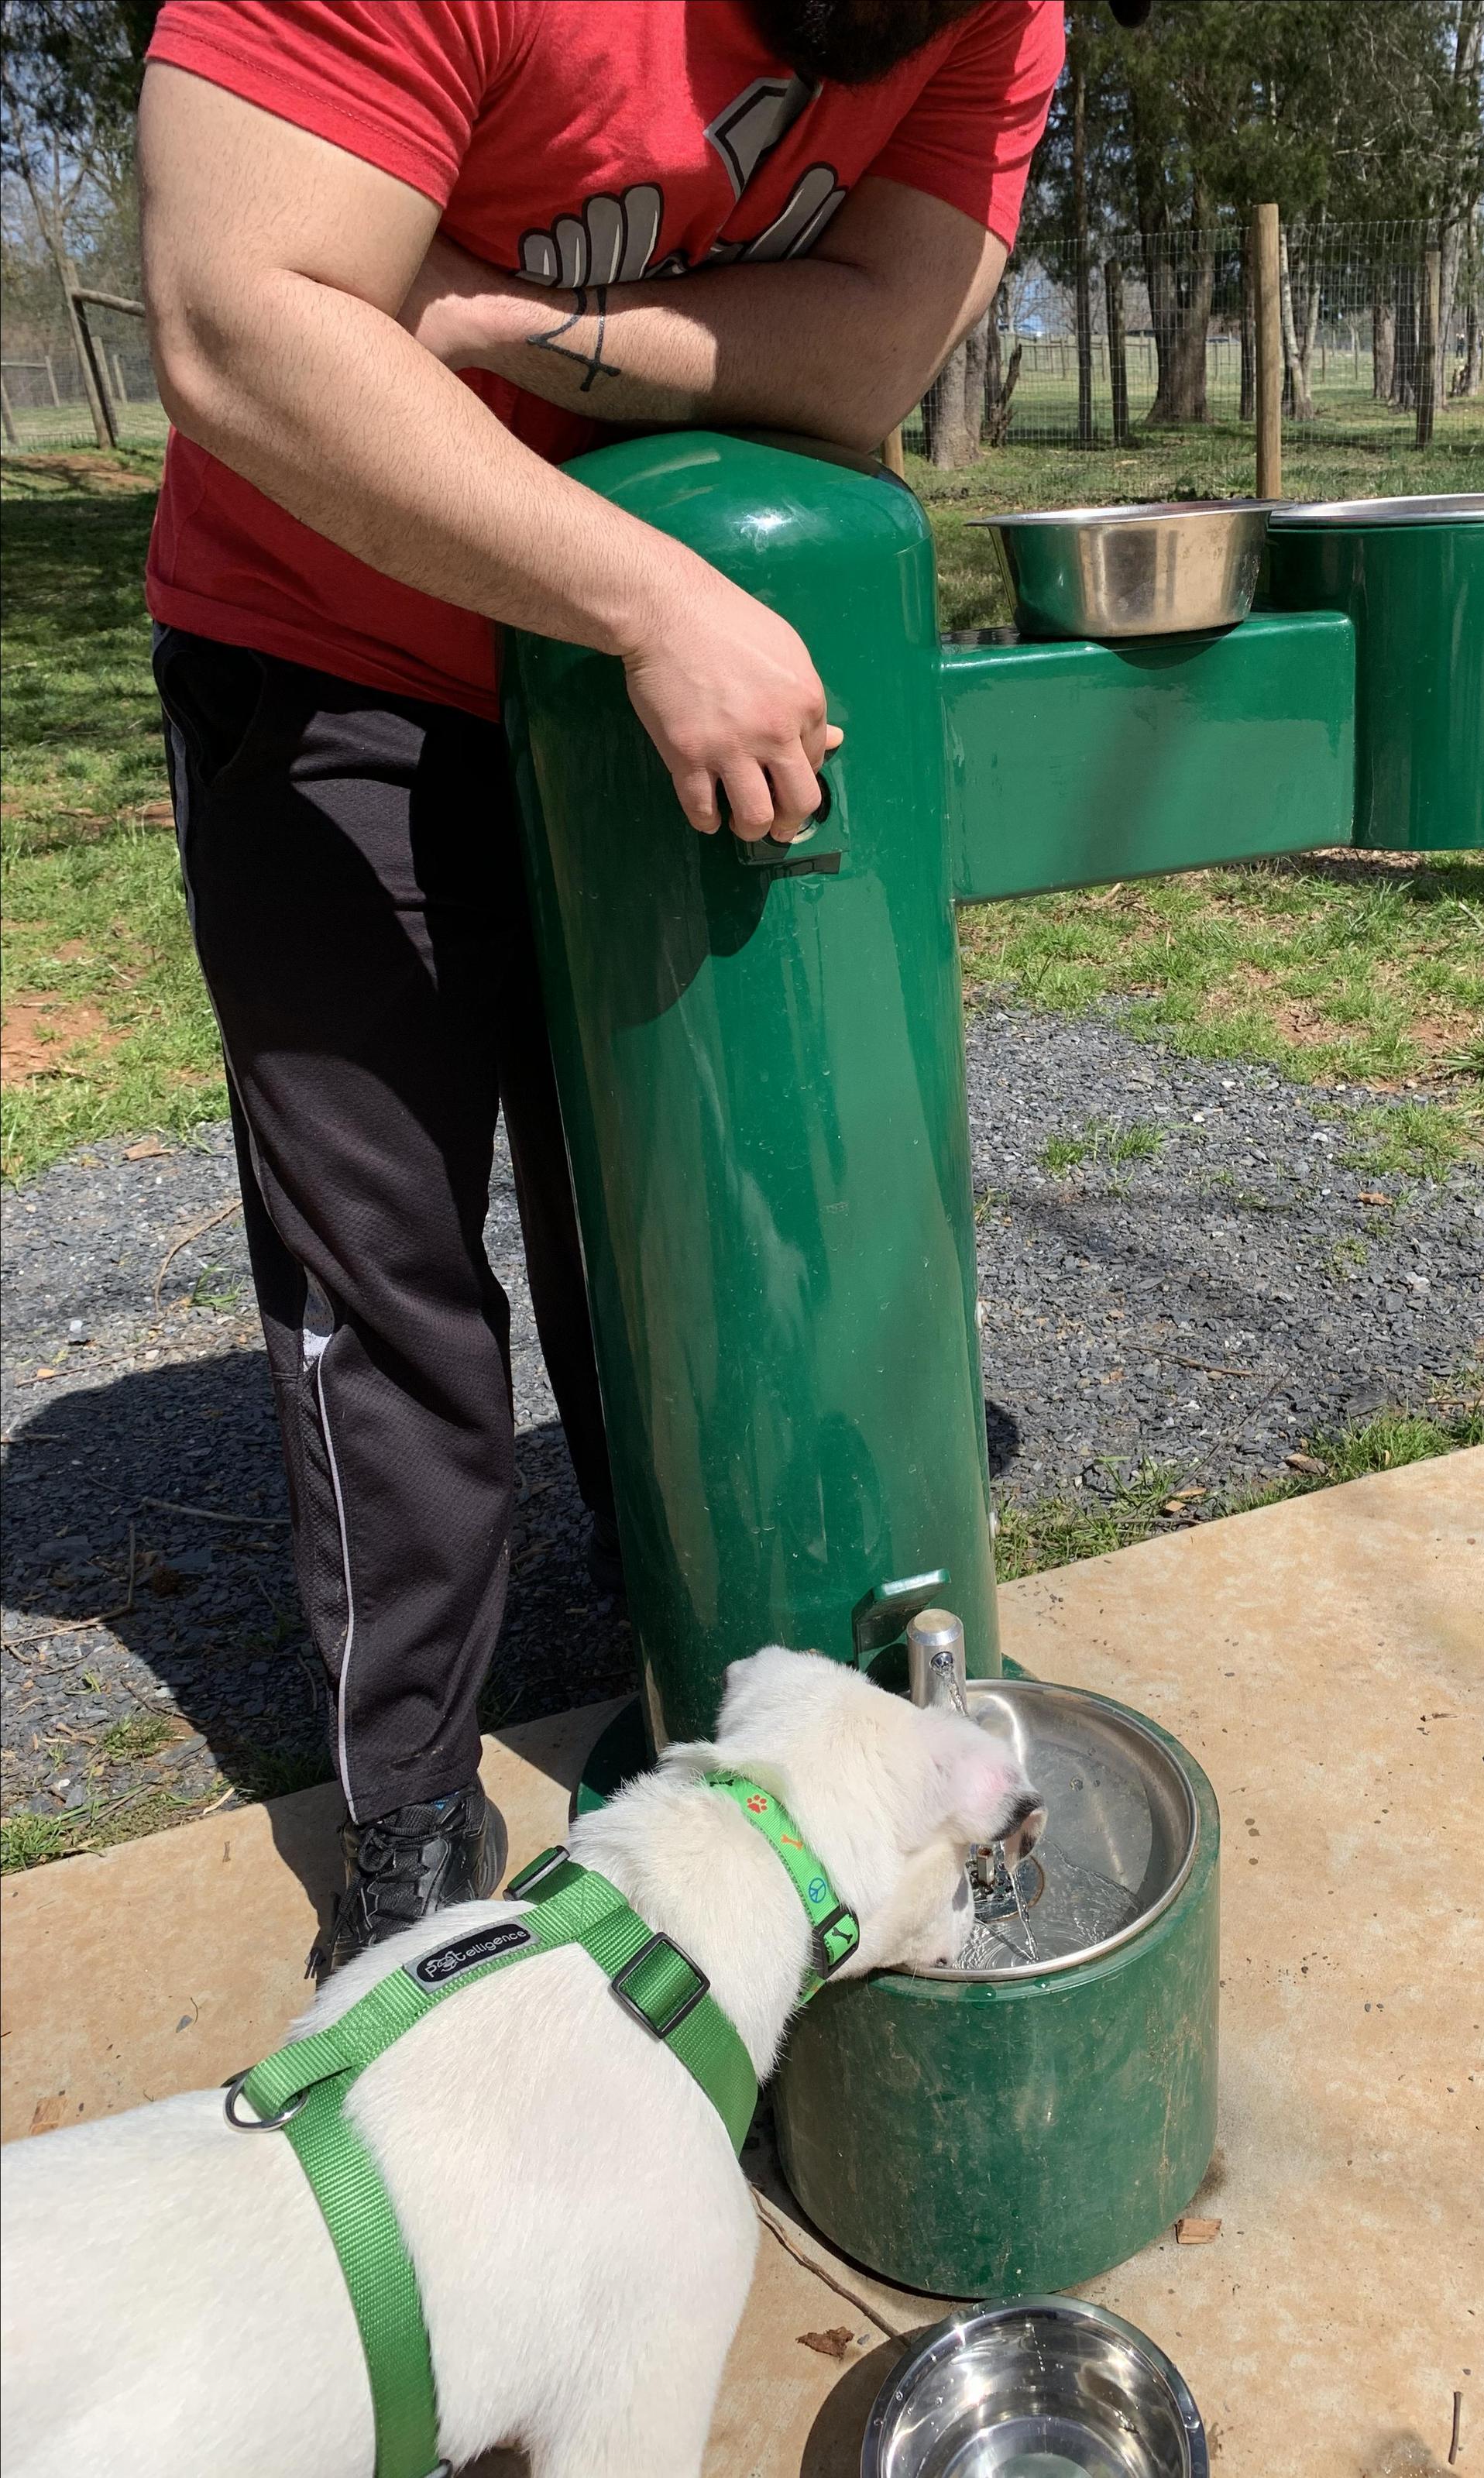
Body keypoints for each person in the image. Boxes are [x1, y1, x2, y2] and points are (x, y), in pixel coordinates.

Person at [137, 0, 1068, 1974]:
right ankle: (409, 1839)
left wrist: (496, 320)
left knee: (674, 1214)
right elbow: (239, 318)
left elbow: (874, 349)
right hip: (336, 635)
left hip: (691, 641)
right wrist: (641, 596)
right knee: (387, 1272)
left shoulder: (1005, 12)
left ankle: (721, 1716)